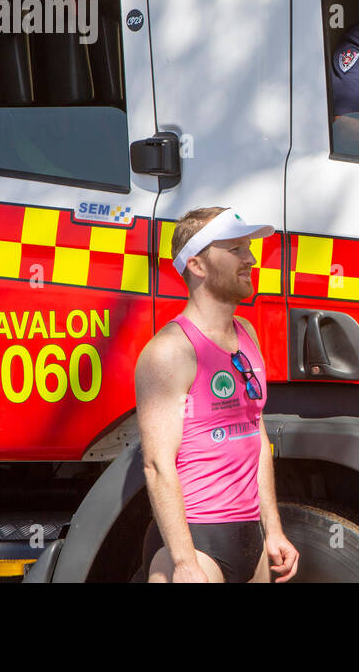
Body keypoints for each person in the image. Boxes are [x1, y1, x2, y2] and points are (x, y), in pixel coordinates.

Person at [135, 206, 299, 583]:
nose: (251, 259)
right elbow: (157, 465)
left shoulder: (246, 334)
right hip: (194, 543)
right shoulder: (169, 351)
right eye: (237, 249)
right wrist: (184, 564)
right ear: (197, 265)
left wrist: (272, 529)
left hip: (250, 539)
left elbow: (254, 433)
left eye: (249, 248)